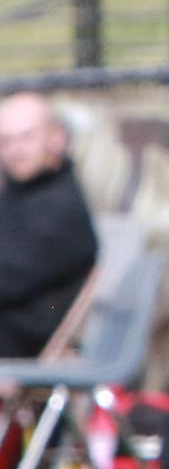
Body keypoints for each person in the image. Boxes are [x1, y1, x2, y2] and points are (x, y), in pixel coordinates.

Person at [0, 93, 97, 359]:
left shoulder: (62, 209)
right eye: (6, 141)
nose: (15, 150)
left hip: (25, 345)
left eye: (26, 137)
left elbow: (8, 279)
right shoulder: (17, 195)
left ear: (57, 138)